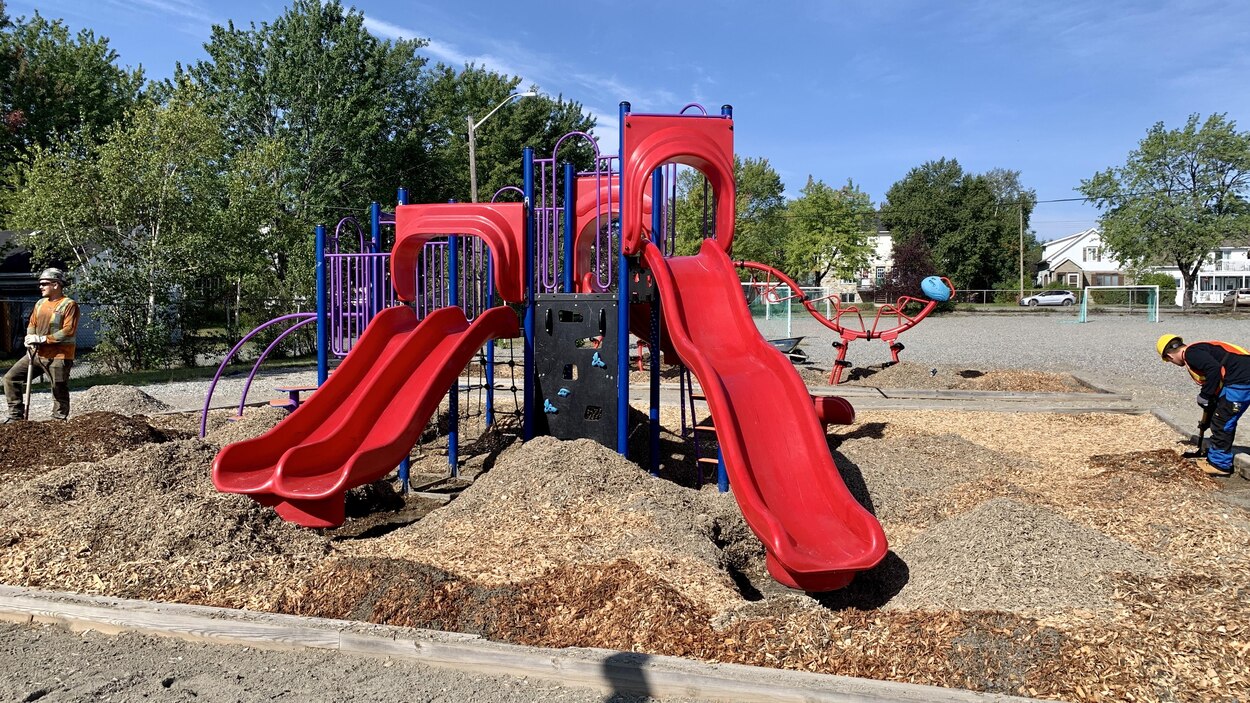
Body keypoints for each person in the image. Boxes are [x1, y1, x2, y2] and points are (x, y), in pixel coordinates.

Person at [1157, 333, 1250, 477]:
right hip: (1240, 376)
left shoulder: (1191, 354)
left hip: (1240, 380)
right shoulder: (1201, 348)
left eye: (1169, 361)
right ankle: (1218, 456)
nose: (1173, 363)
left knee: (1222, 421)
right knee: (1221, 415)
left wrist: (1205, 395)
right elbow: (1218, 378)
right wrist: (1211, 407)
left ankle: (1219, 464)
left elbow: (1214, 369)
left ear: (1169, 356)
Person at [2, 268, 80, 423]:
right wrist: (29, 338)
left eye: (44, 284)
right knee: (10, 378)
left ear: (56, 285)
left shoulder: (69, 305)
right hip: (36, 354)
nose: (40, 287)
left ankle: (58, 420)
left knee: (58, 387)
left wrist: (43, 339)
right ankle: (15, 417)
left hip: (59, 356)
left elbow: (68, 330)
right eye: (40, 284)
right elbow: (32, 323)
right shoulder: (40, 303)